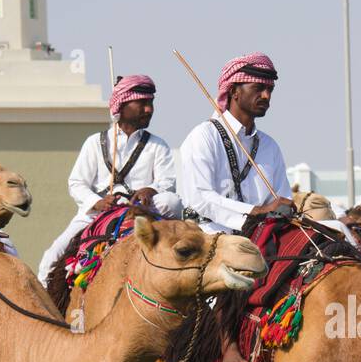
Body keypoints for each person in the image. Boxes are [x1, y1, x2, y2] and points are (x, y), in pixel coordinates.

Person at [37, 75, 182, 282]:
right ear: (122, 105)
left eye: (151, 103)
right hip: (97, 214)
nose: (149, 109)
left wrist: (151, 189)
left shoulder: (158, 145)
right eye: (142, 103)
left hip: (142, 210)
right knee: (50, 259)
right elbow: (77, 183)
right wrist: (97, 202)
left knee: (172, 202)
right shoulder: (95, 143)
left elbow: (168, 182)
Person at [178, 53, 295, 236]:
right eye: (258, 88)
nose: (266, 96)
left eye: (270, 90)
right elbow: (199, 197)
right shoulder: (204, 136)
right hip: (210, 236)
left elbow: (283, 198)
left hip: (263, 236)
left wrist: (283, 208)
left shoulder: (269, 146)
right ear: (234, 91)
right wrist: (255, 211)